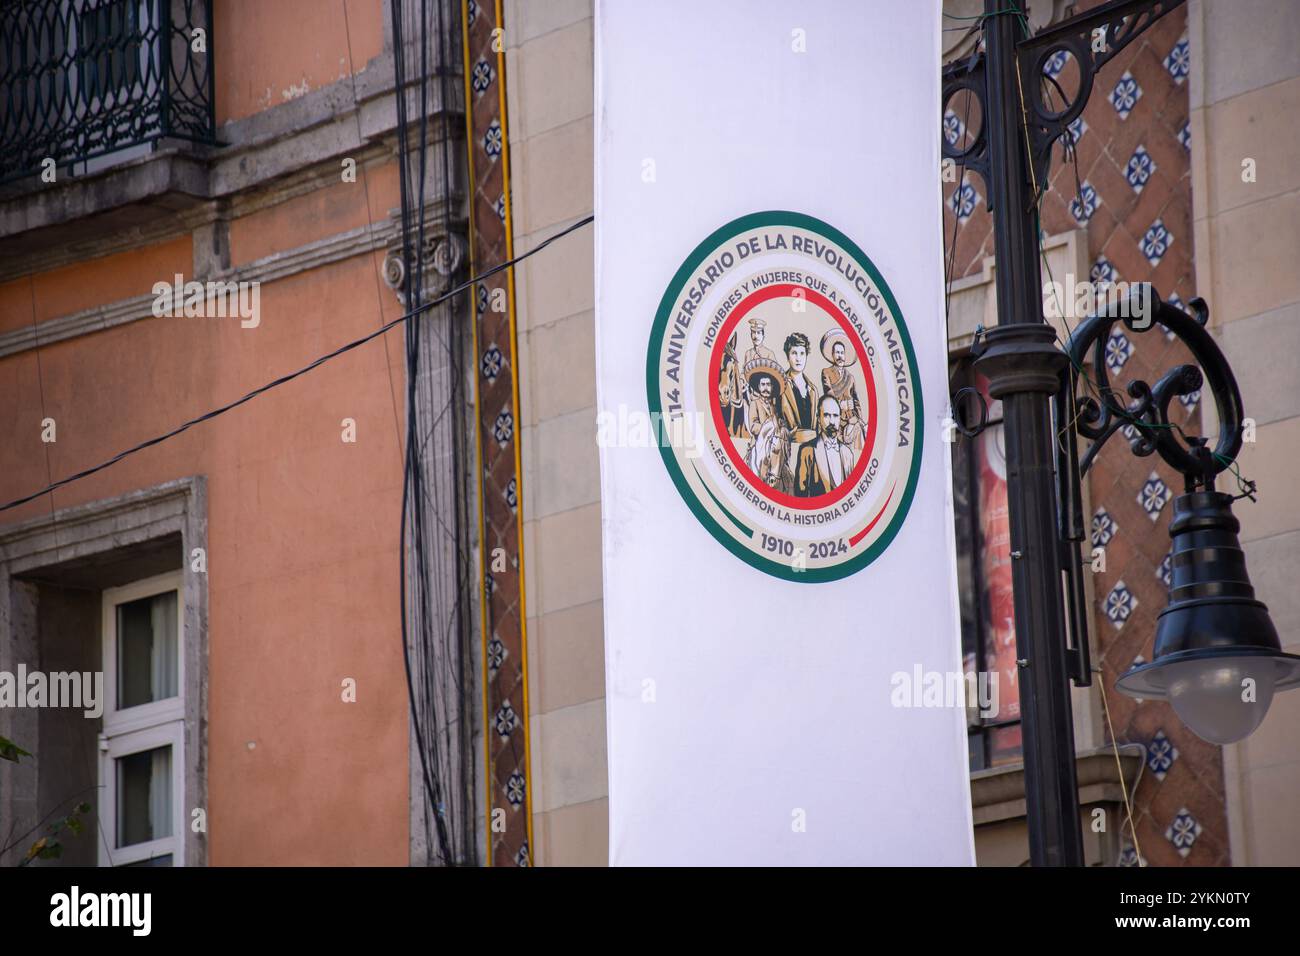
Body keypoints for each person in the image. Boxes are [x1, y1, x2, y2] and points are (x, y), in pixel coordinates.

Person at [795, 394, 858, 497]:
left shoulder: (848, 454)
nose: (832, 421)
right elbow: (800, 495)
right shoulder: (806, 451)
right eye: (826, 415)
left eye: (835, 416)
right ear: (819, 418)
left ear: (840, 418)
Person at [820, 329, 865, 453]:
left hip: (852, 418)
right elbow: (828, 393)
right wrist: (841, 405)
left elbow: (856, 401)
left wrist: (860, 418)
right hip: (836, 418)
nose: (840, 356)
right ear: (833, 355)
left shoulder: (850, 377)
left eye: (842, 353)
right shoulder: (826, 372)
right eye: (837, 353)